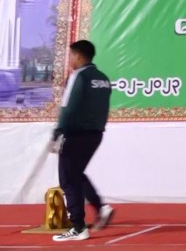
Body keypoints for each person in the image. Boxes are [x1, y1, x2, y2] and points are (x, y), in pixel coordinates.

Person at [51, 40, 115, 242]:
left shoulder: (78, 76)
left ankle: (78, 227)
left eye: (71, 56)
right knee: (76, 174)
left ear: (79, 56)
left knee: (68, 179)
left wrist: (58, 132)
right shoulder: (103, 78)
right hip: (95, 134)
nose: (70, 60)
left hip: (75, 133)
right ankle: (101, 207)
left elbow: (68, 106)